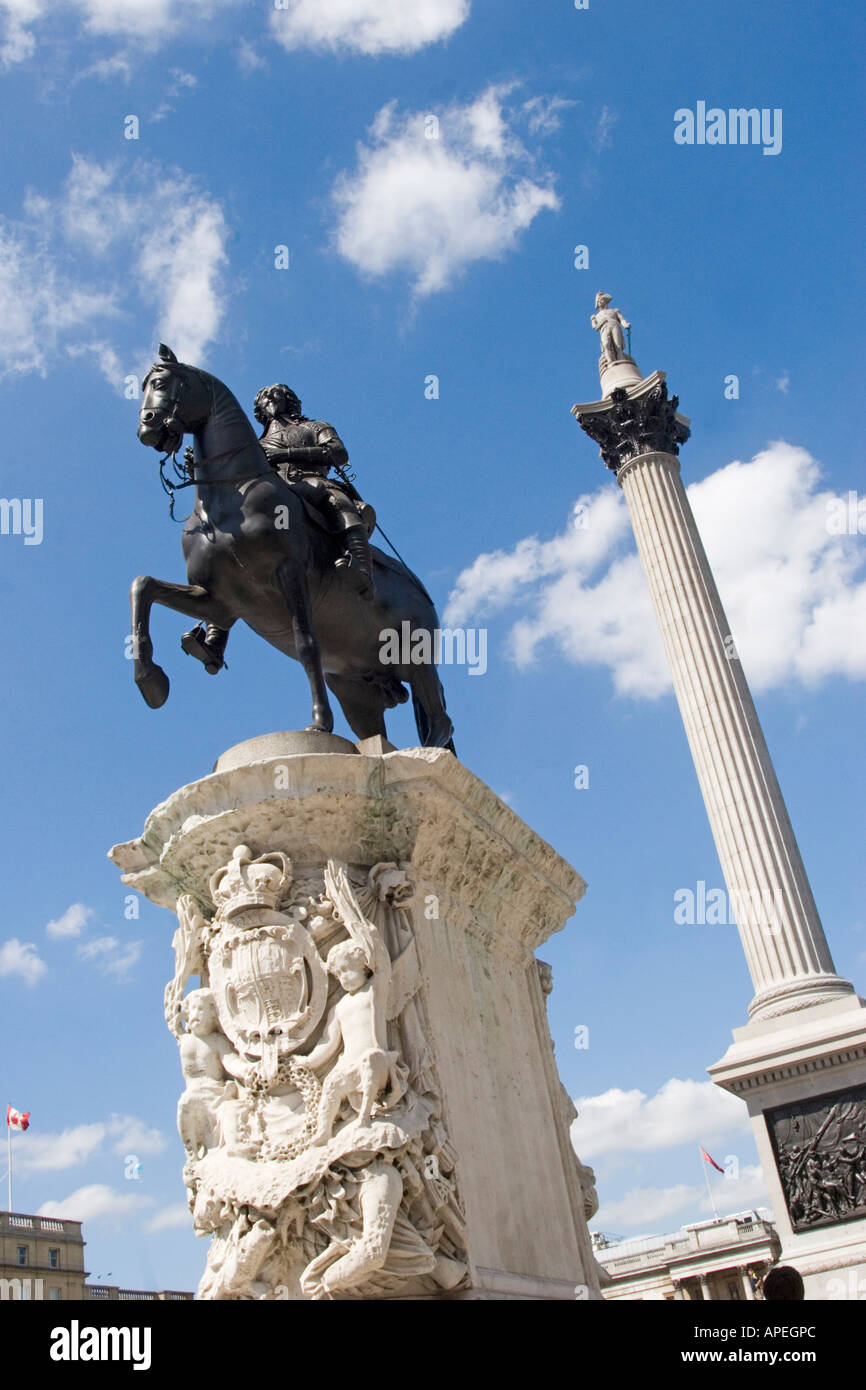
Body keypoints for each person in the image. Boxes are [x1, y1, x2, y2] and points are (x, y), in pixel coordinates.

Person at [253, 383, 376, 599]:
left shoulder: (316, 427)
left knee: (336, 500)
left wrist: (286, 454)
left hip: (312, 483)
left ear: (288, 399)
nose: (268, 398)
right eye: (263, 397)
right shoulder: (255, 445)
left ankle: (362, 569)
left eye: (274, 394)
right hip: (276, 491)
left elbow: (338, 453)